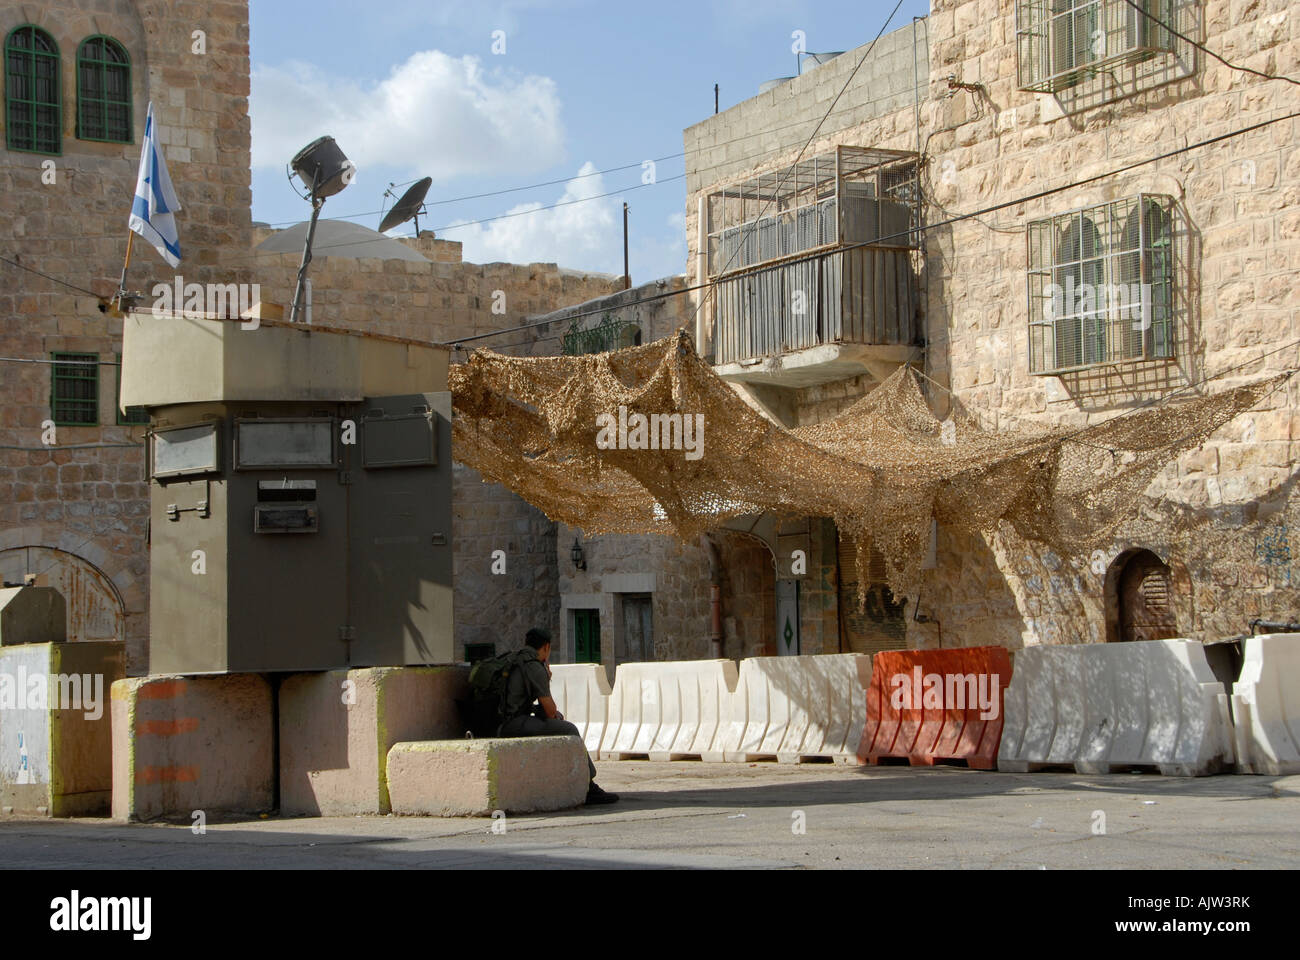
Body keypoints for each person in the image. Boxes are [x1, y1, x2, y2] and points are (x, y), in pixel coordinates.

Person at [498, 627, 619, 805]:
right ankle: (589, 785)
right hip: (513, 723)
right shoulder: (534, 666)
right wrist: (546, 677)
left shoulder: (517, 660)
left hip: (505, 720)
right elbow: (550, 710)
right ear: (546, 647)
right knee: (568, 728)